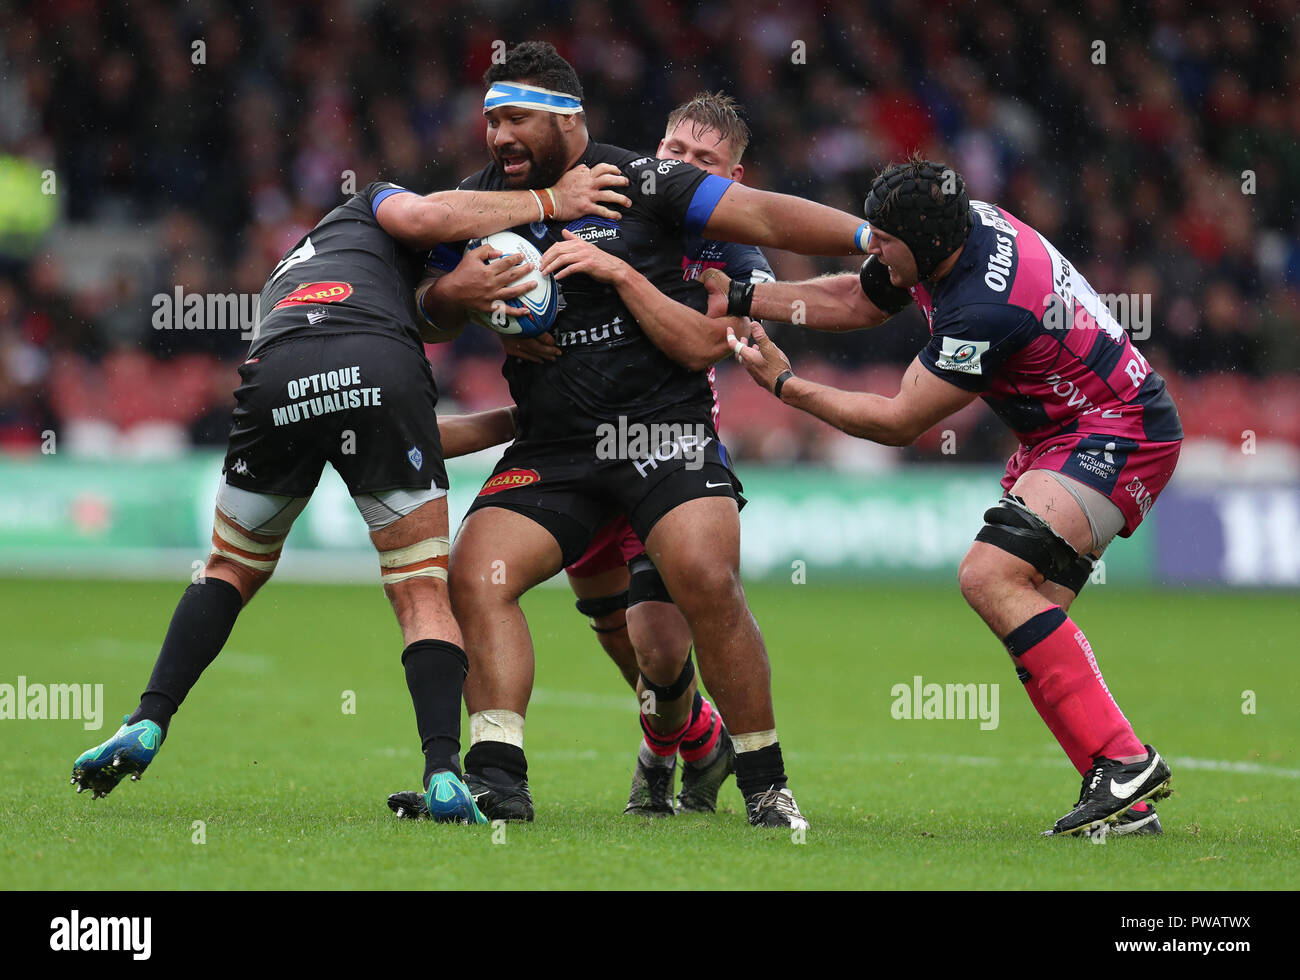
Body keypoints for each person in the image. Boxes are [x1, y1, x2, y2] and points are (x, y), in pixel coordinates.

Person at [69, 166, 632, 824]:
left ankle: (147, 720)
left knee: (229, 566)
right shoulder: (377, 204)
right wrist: (551, 201)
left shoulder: (315, 264)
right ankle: (445, 770)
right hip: (380, 369)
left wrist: (513, 421)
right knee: (421, 588)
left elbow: (388, 411)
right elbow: (422, 236)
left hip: (275, 370)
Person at [416, 42, 871, 829]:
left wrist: (871, 240)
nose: (497, 137)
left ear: (568, 119)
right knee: (479, 573)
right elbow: (419, 300)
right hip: (555, 445)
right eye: (490, 121)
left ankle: (764, 780)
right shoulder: (476, 201)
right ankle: (500, 779)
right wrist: (462, 295)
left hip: (661, 433)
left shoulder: (650, 185)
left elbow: (758, 219)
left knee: (699, 579)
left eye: (516, 118)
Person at [715, 157, 1181, 838]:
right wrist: (744, 297)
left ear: (927, 245)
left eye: (882, 239)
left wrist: (787, 387)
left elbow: (900, 420)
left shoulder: (985, 307)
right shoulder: (945, 237)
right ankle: (1123, 799)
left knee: (989, 575)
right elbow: (856, 299)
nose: (872, 247)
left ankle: (1123, 760)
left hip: (1114, 430)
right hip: (1070, 431)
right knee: (1034, 617)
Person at [387, 92, 775, 821]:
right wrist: (497, 315)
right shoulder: (608, 197)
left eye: (705, 162)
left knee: (659, 652)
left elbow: (705, 343)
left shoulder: (728, 244)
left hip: (663, 449)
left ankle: (681, 744)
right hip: (568, 452)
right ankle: (687, 740)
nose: (683, 167)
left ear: (734, 177)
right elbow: (501, 279)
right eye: (675, 151)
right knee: (611, 630)